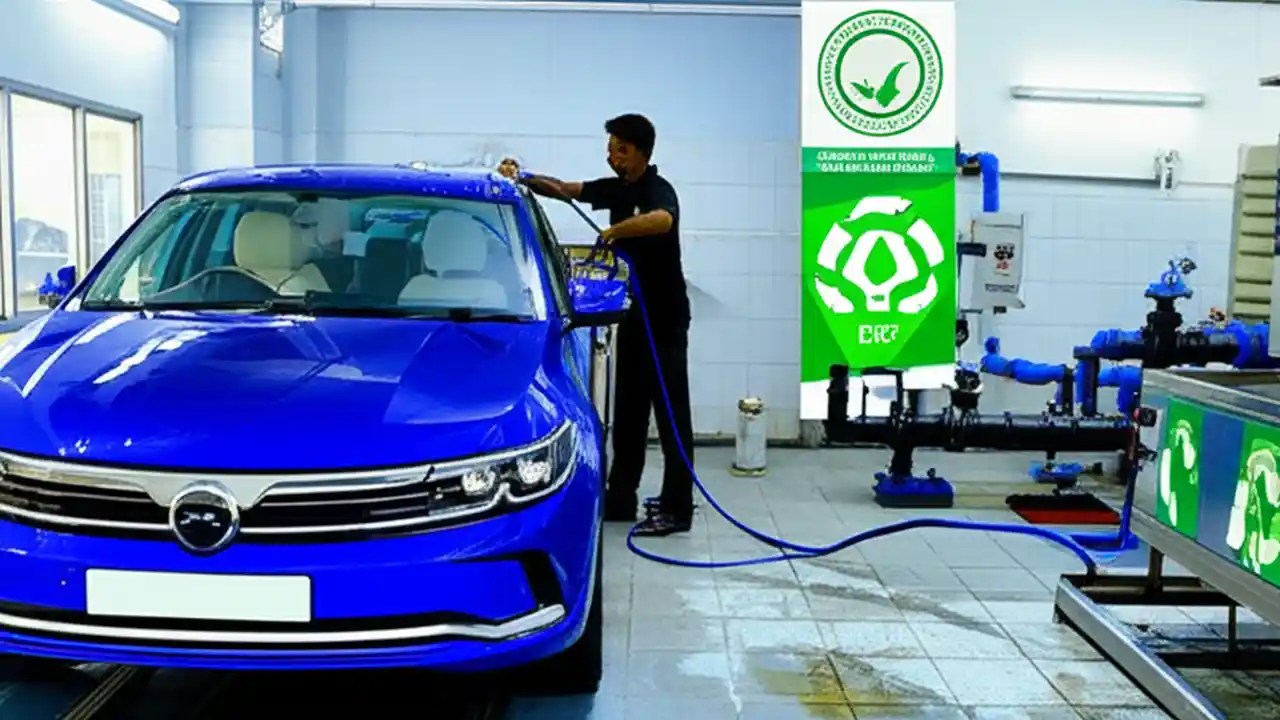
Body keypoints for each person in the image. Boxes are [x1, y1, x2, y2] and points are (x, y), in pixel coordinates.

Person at [521, 113, 695, 537]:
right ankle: (621, 498)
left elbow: (662, 219)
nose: (613, 156)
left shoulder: (658, 189)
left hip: (665, 320)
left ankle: (678, 507)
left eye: (621, 149)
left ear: (641, 152)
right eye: (611, 148)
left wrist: (619, 229)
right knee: (629, 411)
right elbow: (564, 190)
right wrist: (523, 177)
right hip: (633, 316)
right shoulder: (616, 188)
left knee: (670, 415)